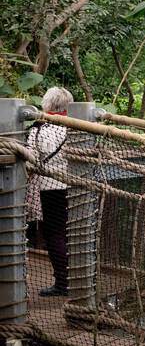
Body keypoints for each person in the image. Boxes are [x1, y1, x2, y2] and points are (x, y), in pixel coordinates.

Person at [25, 87, 73, 297]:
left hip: (49, 188)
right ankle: (78, 279)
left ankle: (62, 283)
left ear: (47, 104)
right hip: (72, 187)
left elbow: (31, 159)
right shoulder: (73, 128)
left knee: (54, 236)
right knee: (71, 234)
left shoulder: (40, 129)